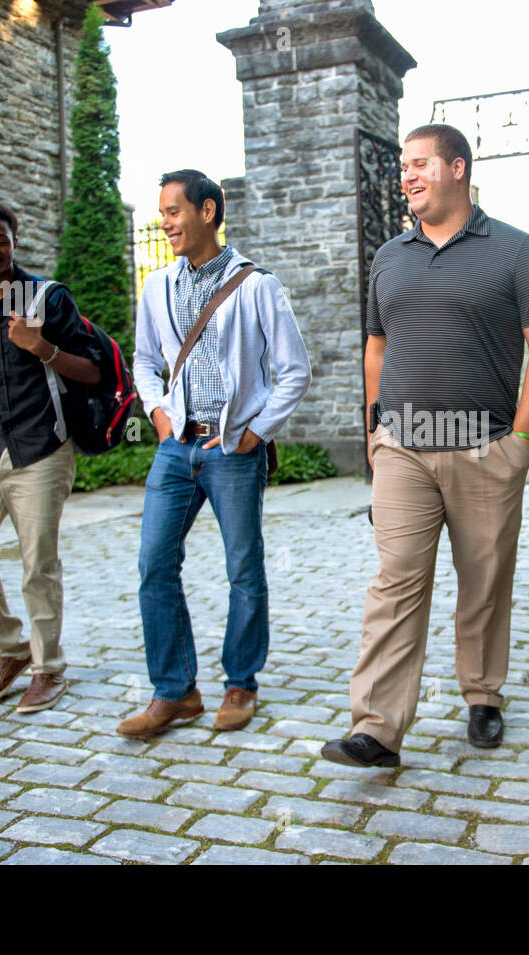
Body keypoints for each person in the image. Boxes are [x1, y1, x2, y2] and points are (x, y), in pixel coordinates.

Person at [321, 124, 529, 768]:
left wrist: (522, 440)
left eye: (420, 163)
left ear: (458, 168)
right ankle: (376, 727)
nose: (407, 175)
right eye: (403, 167)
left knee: (483, 581)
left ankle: (482, 694)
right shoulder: (390, 255)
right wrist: (376, 428)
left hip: (485, 445)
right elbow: (377, 346)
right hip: (402, 444)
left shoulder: (515, 249)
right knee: (395, 580)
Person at [117, 170, 311, 740]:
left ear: (206, 212)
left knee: (243, 569)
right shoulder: (157, 286)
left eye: (173, 211)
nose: (164, 222)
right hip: (176, 449)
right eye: (160, 212)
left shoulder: (257, 285)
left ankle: (241, 682)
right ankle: (175, 692)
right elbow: (144, 360)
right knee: (154, 564)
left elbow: (294, 370)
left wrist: (255, 432)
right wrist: (156, 412)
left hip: (232, 450)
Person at [0, 200, 103, 714]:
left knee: (37, 563)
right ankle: (11, 649)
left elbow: (93, 372)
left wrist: (42, 348)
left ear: (14, 241)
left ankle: (48, 669)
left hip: (41, 448)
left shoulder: (48, 299)